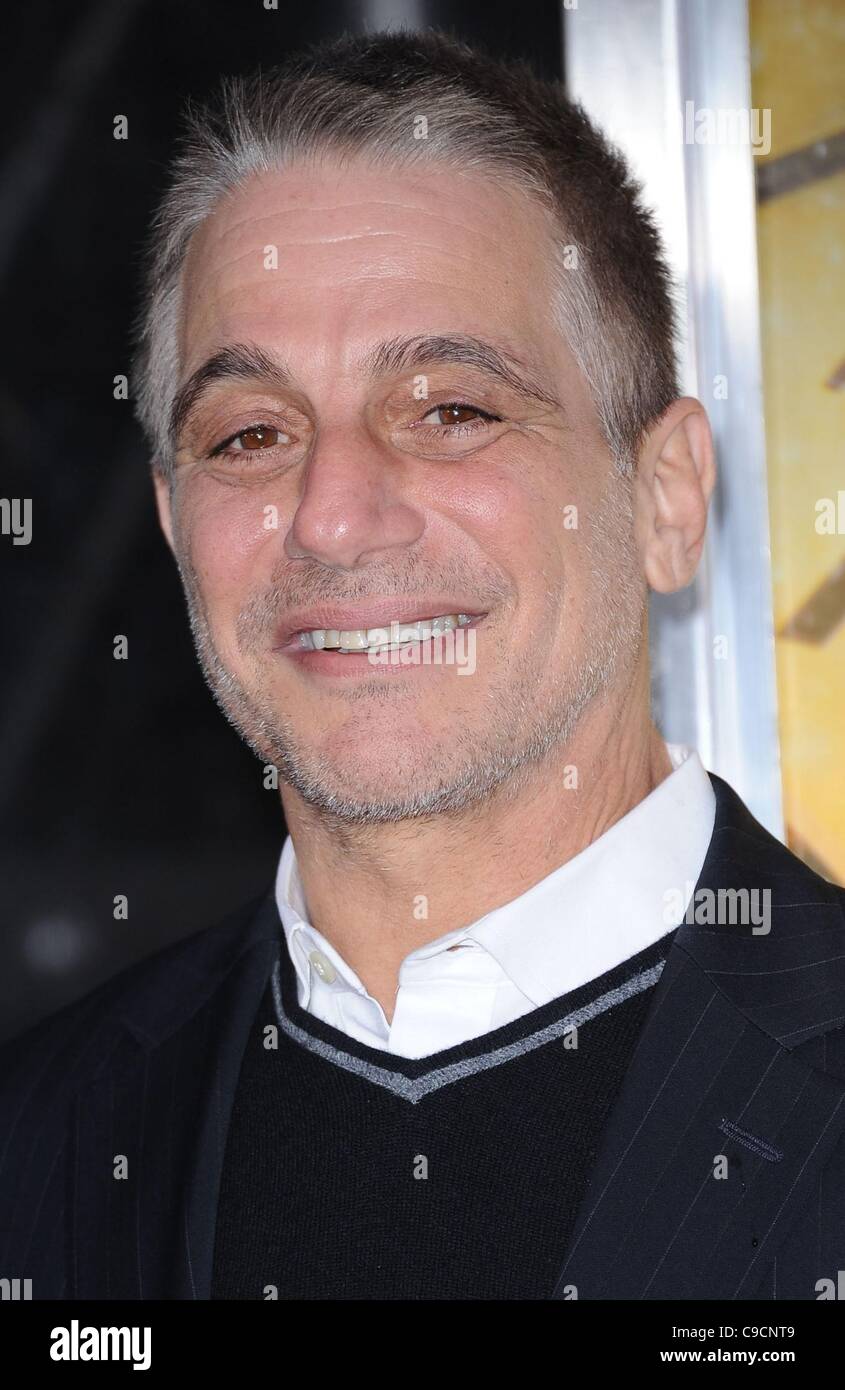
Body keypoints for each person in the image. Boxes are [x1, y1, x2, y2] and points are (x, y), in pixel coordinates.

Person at [2, 29, 844, 1302]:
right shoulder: (40, 1139)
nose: (333, 513)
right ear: (177, 531)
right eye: (250, 433)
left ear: (664, 497)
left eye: (451, 409)